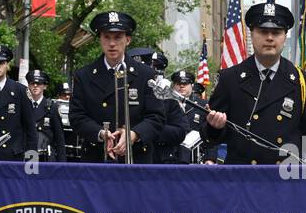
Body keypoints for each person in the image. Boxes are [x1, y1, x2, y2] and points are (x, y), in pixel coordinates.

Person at [204, 3, 306, 164]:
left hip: (285, 178)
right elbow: (208, 135)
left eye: (276, 32)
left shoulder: (302, 80)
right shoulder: (230, 78)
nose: (269, 38)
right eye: (263, 31)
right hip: (243, 179)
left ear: (285, 36)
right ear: (252, 33)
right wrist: (215, 127)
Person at [68, 12, 166, 163]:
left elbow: (156, 117)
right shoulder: (84, 75)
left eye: (118, 37)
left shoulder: (146, 74)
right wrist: (101, 133)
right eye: (106, 37)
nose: (112, 44)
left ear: (128, 40)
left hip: (137, 157)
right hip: (96, 157)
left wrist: (134, 134)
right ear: (100, 40)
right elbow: (77, 117)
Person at [161, 68, 205, 164]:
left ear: (192, 85)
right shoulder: (165, 103)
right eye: (178, 84)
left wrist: (210, 158)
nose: (181, 86)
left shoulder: (202, 105)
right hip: (169, 155)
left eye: (185, 84)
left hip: (194, 156)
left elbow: (209, 133)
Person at [24, 69, 67, 162]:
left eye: (39, 83)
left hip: (46, 157)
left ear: (45, 86)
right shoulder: (24, 106)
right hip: (28, 155)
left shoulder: (51, 107)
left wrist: (62, 165)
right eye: (32, 83)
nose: (35, 86)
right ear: (28, 85)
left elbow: (59, 139)